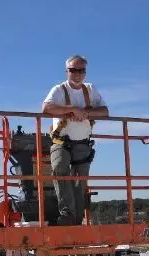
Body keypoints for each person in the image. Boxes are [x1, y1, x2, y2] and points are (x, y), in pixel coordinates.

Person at [42, 55, 109, 225]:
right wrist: (72, 109)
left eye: (81, 70)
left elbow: (105, 111)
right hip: (61, 142)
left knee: (80, 183)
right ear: (67, 71)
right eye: (73, 70)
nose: (78, 73)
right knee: (60, 170)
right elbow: (46, 108)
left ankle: (77, 221)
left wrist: (85, 113)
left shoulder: (90, 89)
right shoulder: (59, 90)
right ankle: (67, 215)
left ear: (85, 72)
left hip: (82, 144)